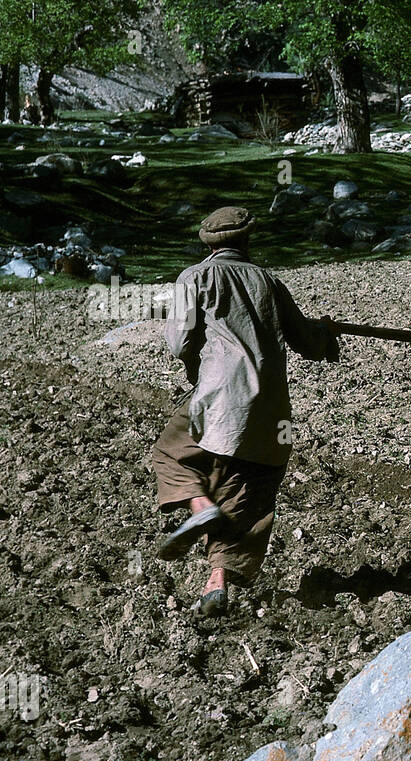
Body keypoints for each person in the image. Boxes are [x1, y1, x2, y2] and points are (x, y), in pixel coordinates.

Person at [150, 206, 339, 616]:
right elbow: (307, 341)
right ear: (247, 240)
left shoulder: (194, 278)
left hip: (218, 396)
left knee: (171, 452)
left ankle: (201, 508)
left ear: (208, 244)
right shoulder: (270, 282)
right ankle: (215, 585)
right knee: (246, 485)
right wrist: (325, 333)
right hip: (271, 407)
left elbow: (179, 344)